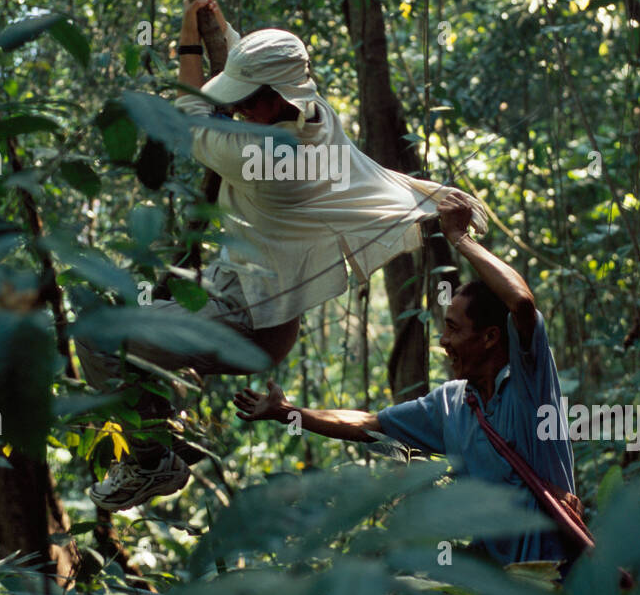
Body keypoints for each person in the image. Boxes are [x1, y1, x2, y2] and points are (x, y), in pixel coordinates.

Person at [80, 0, 488, 511]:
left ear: (277, 98)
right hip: (260, 313)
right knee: (138, 328)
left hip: (241, 320)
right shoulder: (314, 114)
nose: (241, 108)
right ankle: (168, 397)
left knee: (99, 337)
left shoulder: (267, 161)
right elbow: (247, 64)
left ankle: (152, 463)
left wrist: (188, 31)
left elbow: (188, 110)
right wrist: (206, 3)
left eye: (250, 100)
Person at [233, 194, 576, 566]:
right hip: (499, 583)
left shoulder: (530, 380)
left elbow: (522, 304)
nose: (443, 341)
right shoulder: (449, 404)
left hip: (559, 577)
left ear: (491, 337)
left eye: (453, 328)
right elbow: (367, 424)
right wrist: (288, 413)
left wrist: (460, 237)